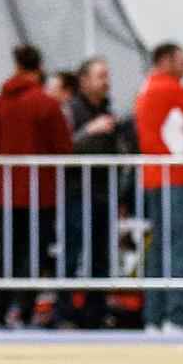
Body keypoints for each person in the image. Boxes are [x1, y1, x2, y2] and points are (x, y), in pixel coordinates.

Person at [0, 45, 74, 327]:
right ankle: (24, 310)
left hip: (7, 191)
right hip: (40, 192)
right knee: (34, 252)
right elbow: (63, 146)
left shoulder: (0, 102)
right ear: (39, 67)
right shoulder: (46, 103)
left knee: (7, 252)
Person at [134, 42, 183, 332]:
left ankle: (153, 316)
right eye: (181, 60)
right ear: (166, 60)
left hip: (153, 176)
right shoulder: (170, 88)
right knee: (179, 246)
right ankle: (177, 316)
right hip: (176, 176)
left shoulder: (146, 88)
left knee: (158, 247)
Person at [55, 57, 125, 328]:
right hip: (76, 192)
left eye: (107, 75)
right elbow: (62, 147)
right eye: (100, 76)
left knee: (101, 255)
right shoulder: (70, 111)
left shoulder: (109, 111)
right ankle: (64, 314)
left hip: (104, 192)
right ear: (83, 81)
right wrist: (88, 132)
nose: (106, 81)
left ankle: (96, 313)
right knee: (71, 253)